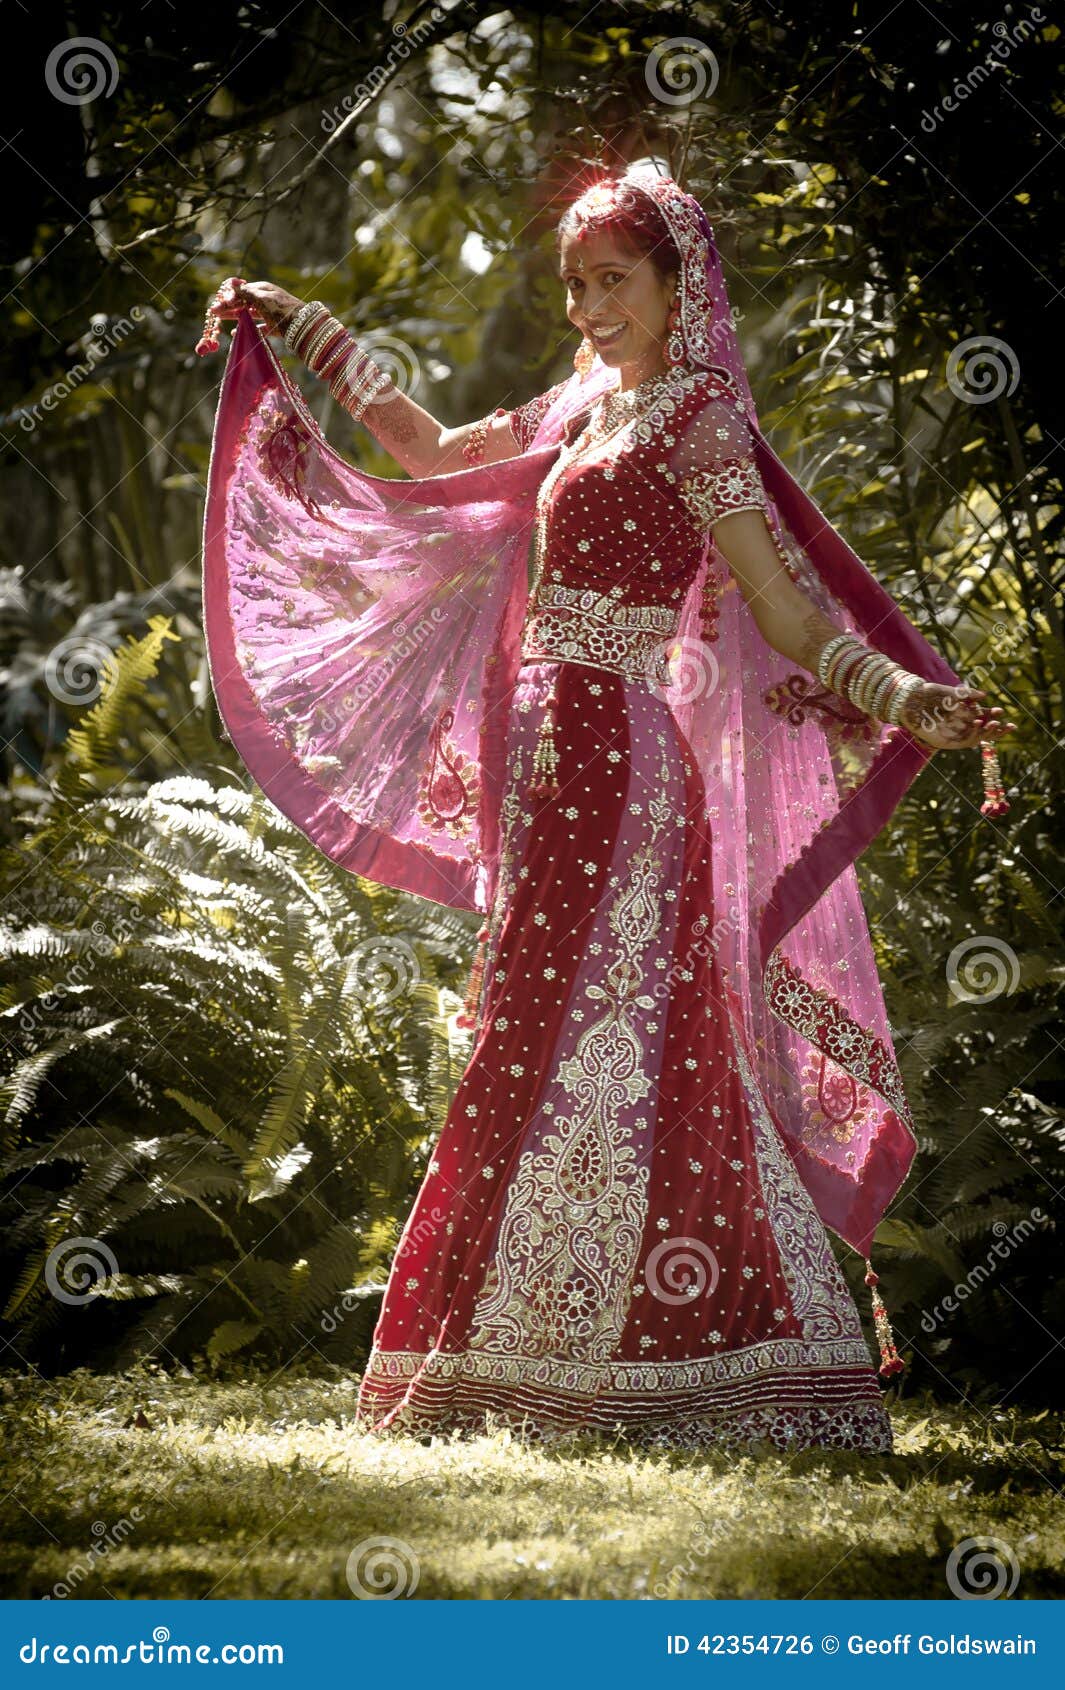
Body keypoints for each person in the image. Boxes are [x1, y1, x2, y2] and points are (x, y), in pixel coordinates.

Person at [199, 161, 1012, 1453]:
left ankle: (698, 1359)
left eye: (612, 281)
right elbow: (430, 451)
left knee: (643, 1049)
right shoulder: (579, 406)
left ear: (678, 284)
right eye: (574, 283)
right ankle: (514, 1356)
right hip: (542, 764)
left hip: (627, 775)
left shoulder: (696, 422)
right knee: (527, 1036)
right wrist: (304, 328)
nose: (587, 306)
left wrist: (906, 696)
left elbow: (790, 612)